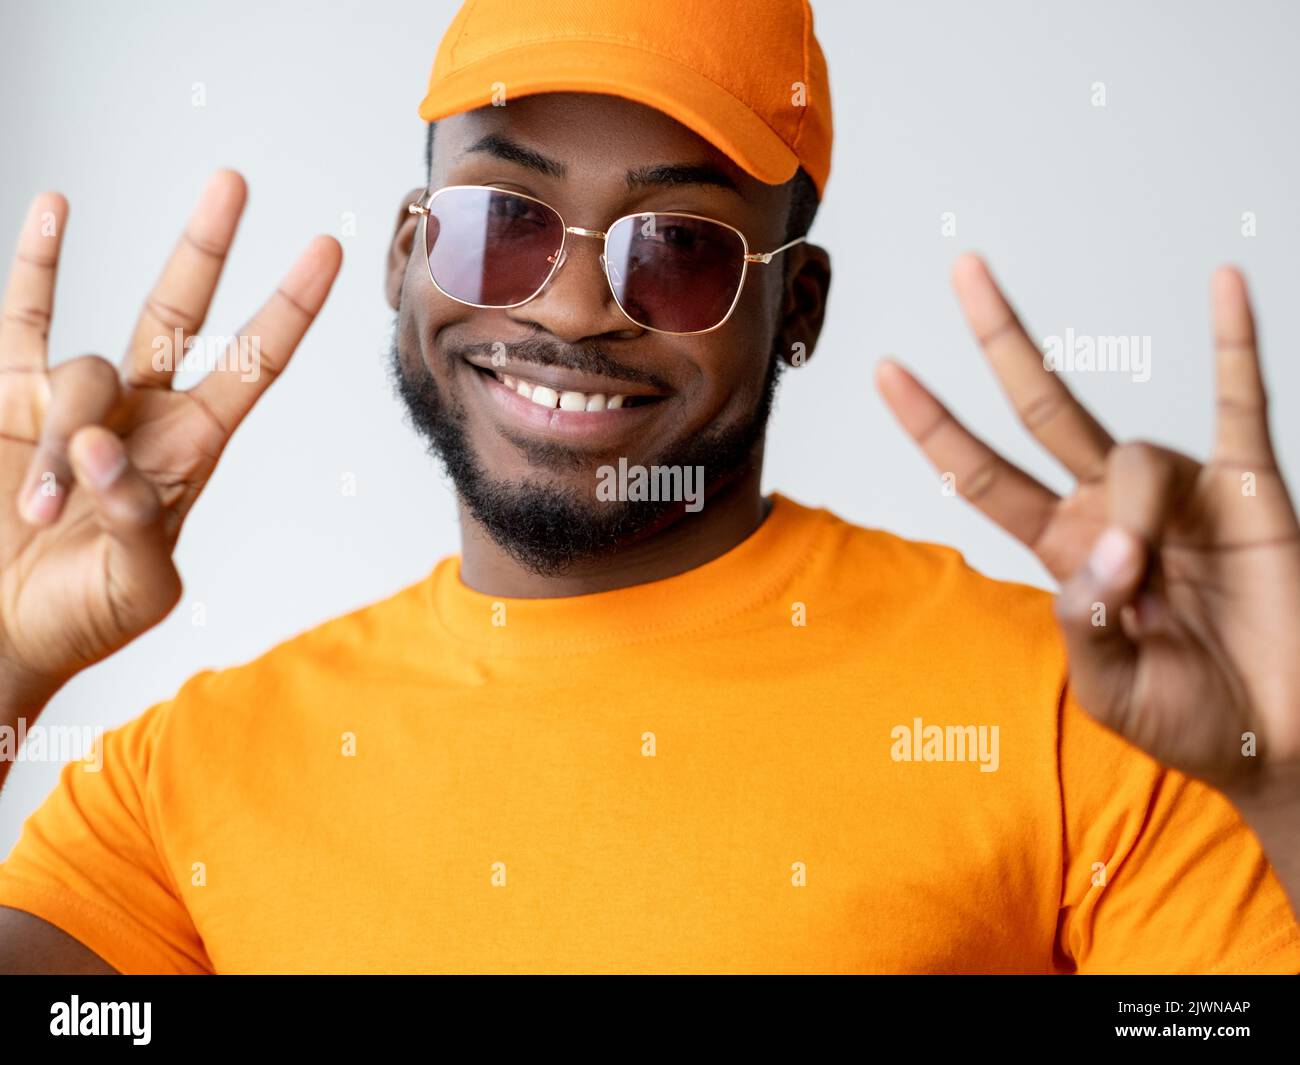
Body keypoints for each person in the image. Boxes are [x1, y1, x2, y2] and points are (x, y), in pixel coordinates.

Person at [1, 0, 1298, 974]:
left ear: (800, 308)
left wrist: (1285, 781)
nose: (573, 307)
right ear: (408, 254)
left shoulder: (1087, 715)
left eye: (680, 246)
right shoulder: (181, 785)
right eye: (501, 219)